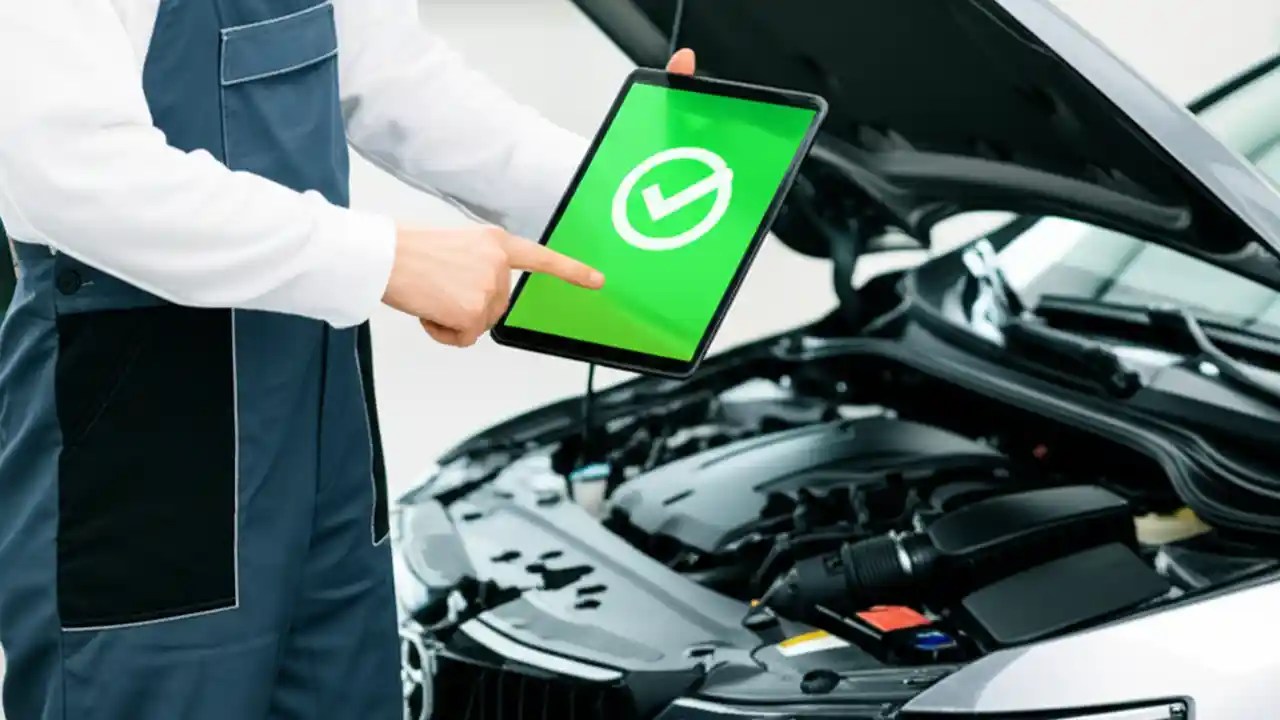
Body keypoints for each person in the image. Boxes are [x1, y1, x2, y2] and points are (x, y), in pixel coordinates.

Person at [0, 1, 695, 718]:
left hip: (319, 396)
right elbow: (72, 169)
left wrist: (625, 196)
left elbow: (395, 80)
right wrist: (387, 259)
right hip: (143, 413)